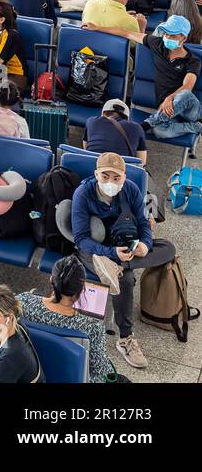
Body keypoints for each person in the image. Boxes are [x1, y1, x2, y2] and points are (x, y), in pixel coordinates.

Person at [72, 151, 176, 370]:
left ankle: (117, 266)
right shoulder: (83, 193)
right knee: (126, 280)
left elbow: (143, 224)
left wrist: (144, 246)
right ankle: (126, 338)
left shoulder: (131, 190)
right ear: (96, 174)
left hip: (124, 248)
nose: (111, 182)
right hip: (95, 250)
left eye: (116, 177)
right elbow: (81, 239)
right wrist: (111, 252)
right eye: (105, 176)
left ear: (124, 177)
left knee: (167, 248)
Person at [17, 254, 117, 383]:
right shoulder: (92, 326)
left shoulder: (23, 302)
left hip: (30, 374)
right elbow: (101, 371)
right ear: (82, 289)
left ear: (51, 279)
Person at [83, 99, 148, 169]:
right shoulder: (137, 128)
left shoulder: (91, 121)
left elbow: (85, 146)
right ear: (127, 117)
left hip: (90, 166)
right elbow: (141, 163)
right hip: (120, 173)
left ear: (103, 113)